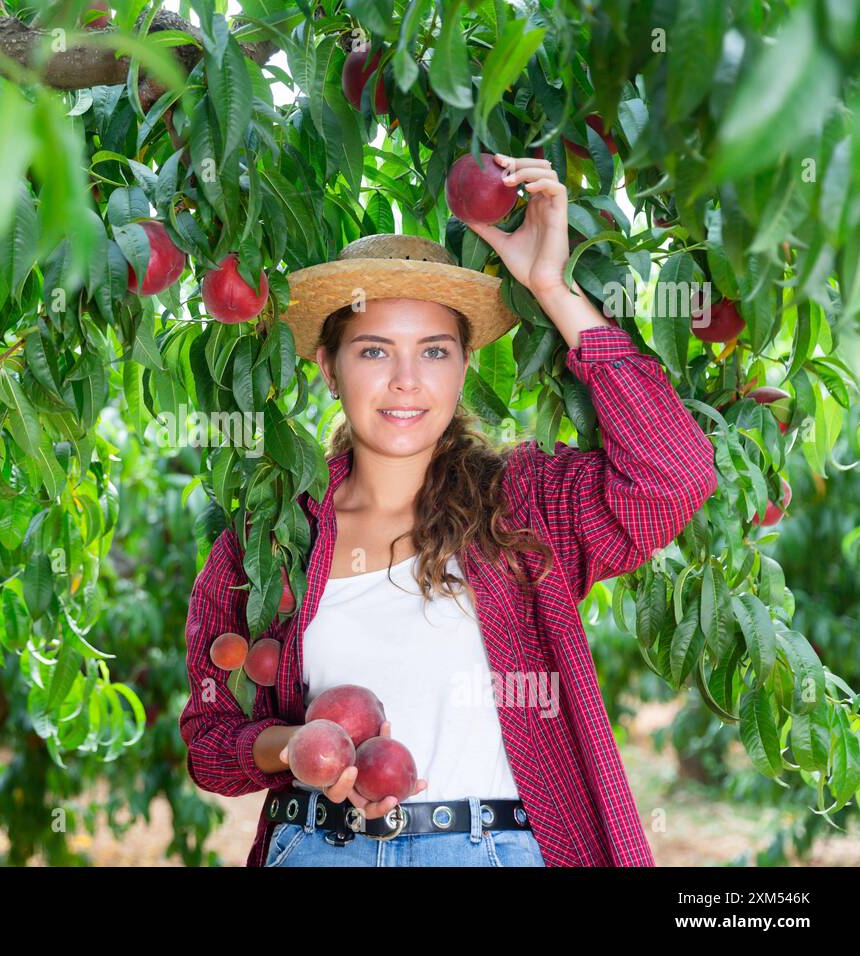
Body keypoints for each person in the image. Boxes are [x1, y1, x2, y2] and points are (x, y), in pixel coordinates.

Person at [179, 153, 719, 866]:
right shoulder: (275, 535)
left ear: (463, 367)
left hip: (491, 849)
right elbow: (212, 745)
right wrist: (305, 750)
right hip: (318, 847)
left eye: (433, 351)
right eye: (374, 351)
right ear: (328, 366)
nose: (407, 381)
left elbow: (673, 475)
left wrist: (550, 287)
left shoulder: (521, 508)